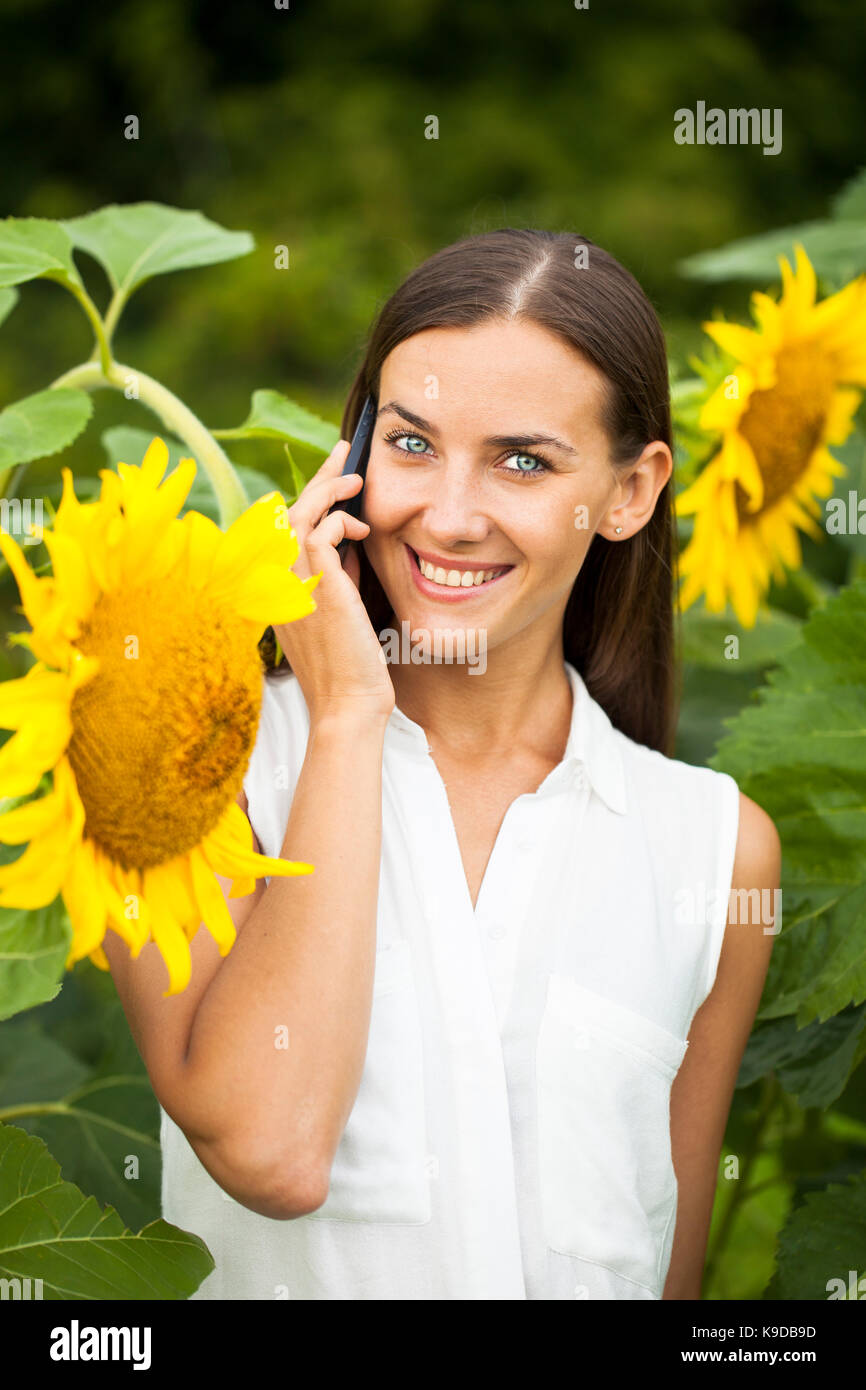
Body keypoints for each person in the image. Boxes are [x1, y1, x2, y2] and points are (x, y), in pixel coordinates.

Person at [105, 229, 780, 1300]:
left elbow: (671, 1282)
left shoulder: (714, 851)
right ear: (354, 455)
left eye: (521, 460)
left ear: (629, 492)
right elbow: (269, 1150)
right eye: (411, 444)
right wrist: (343, 720)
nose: (448, 516)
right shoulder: (188, 758)